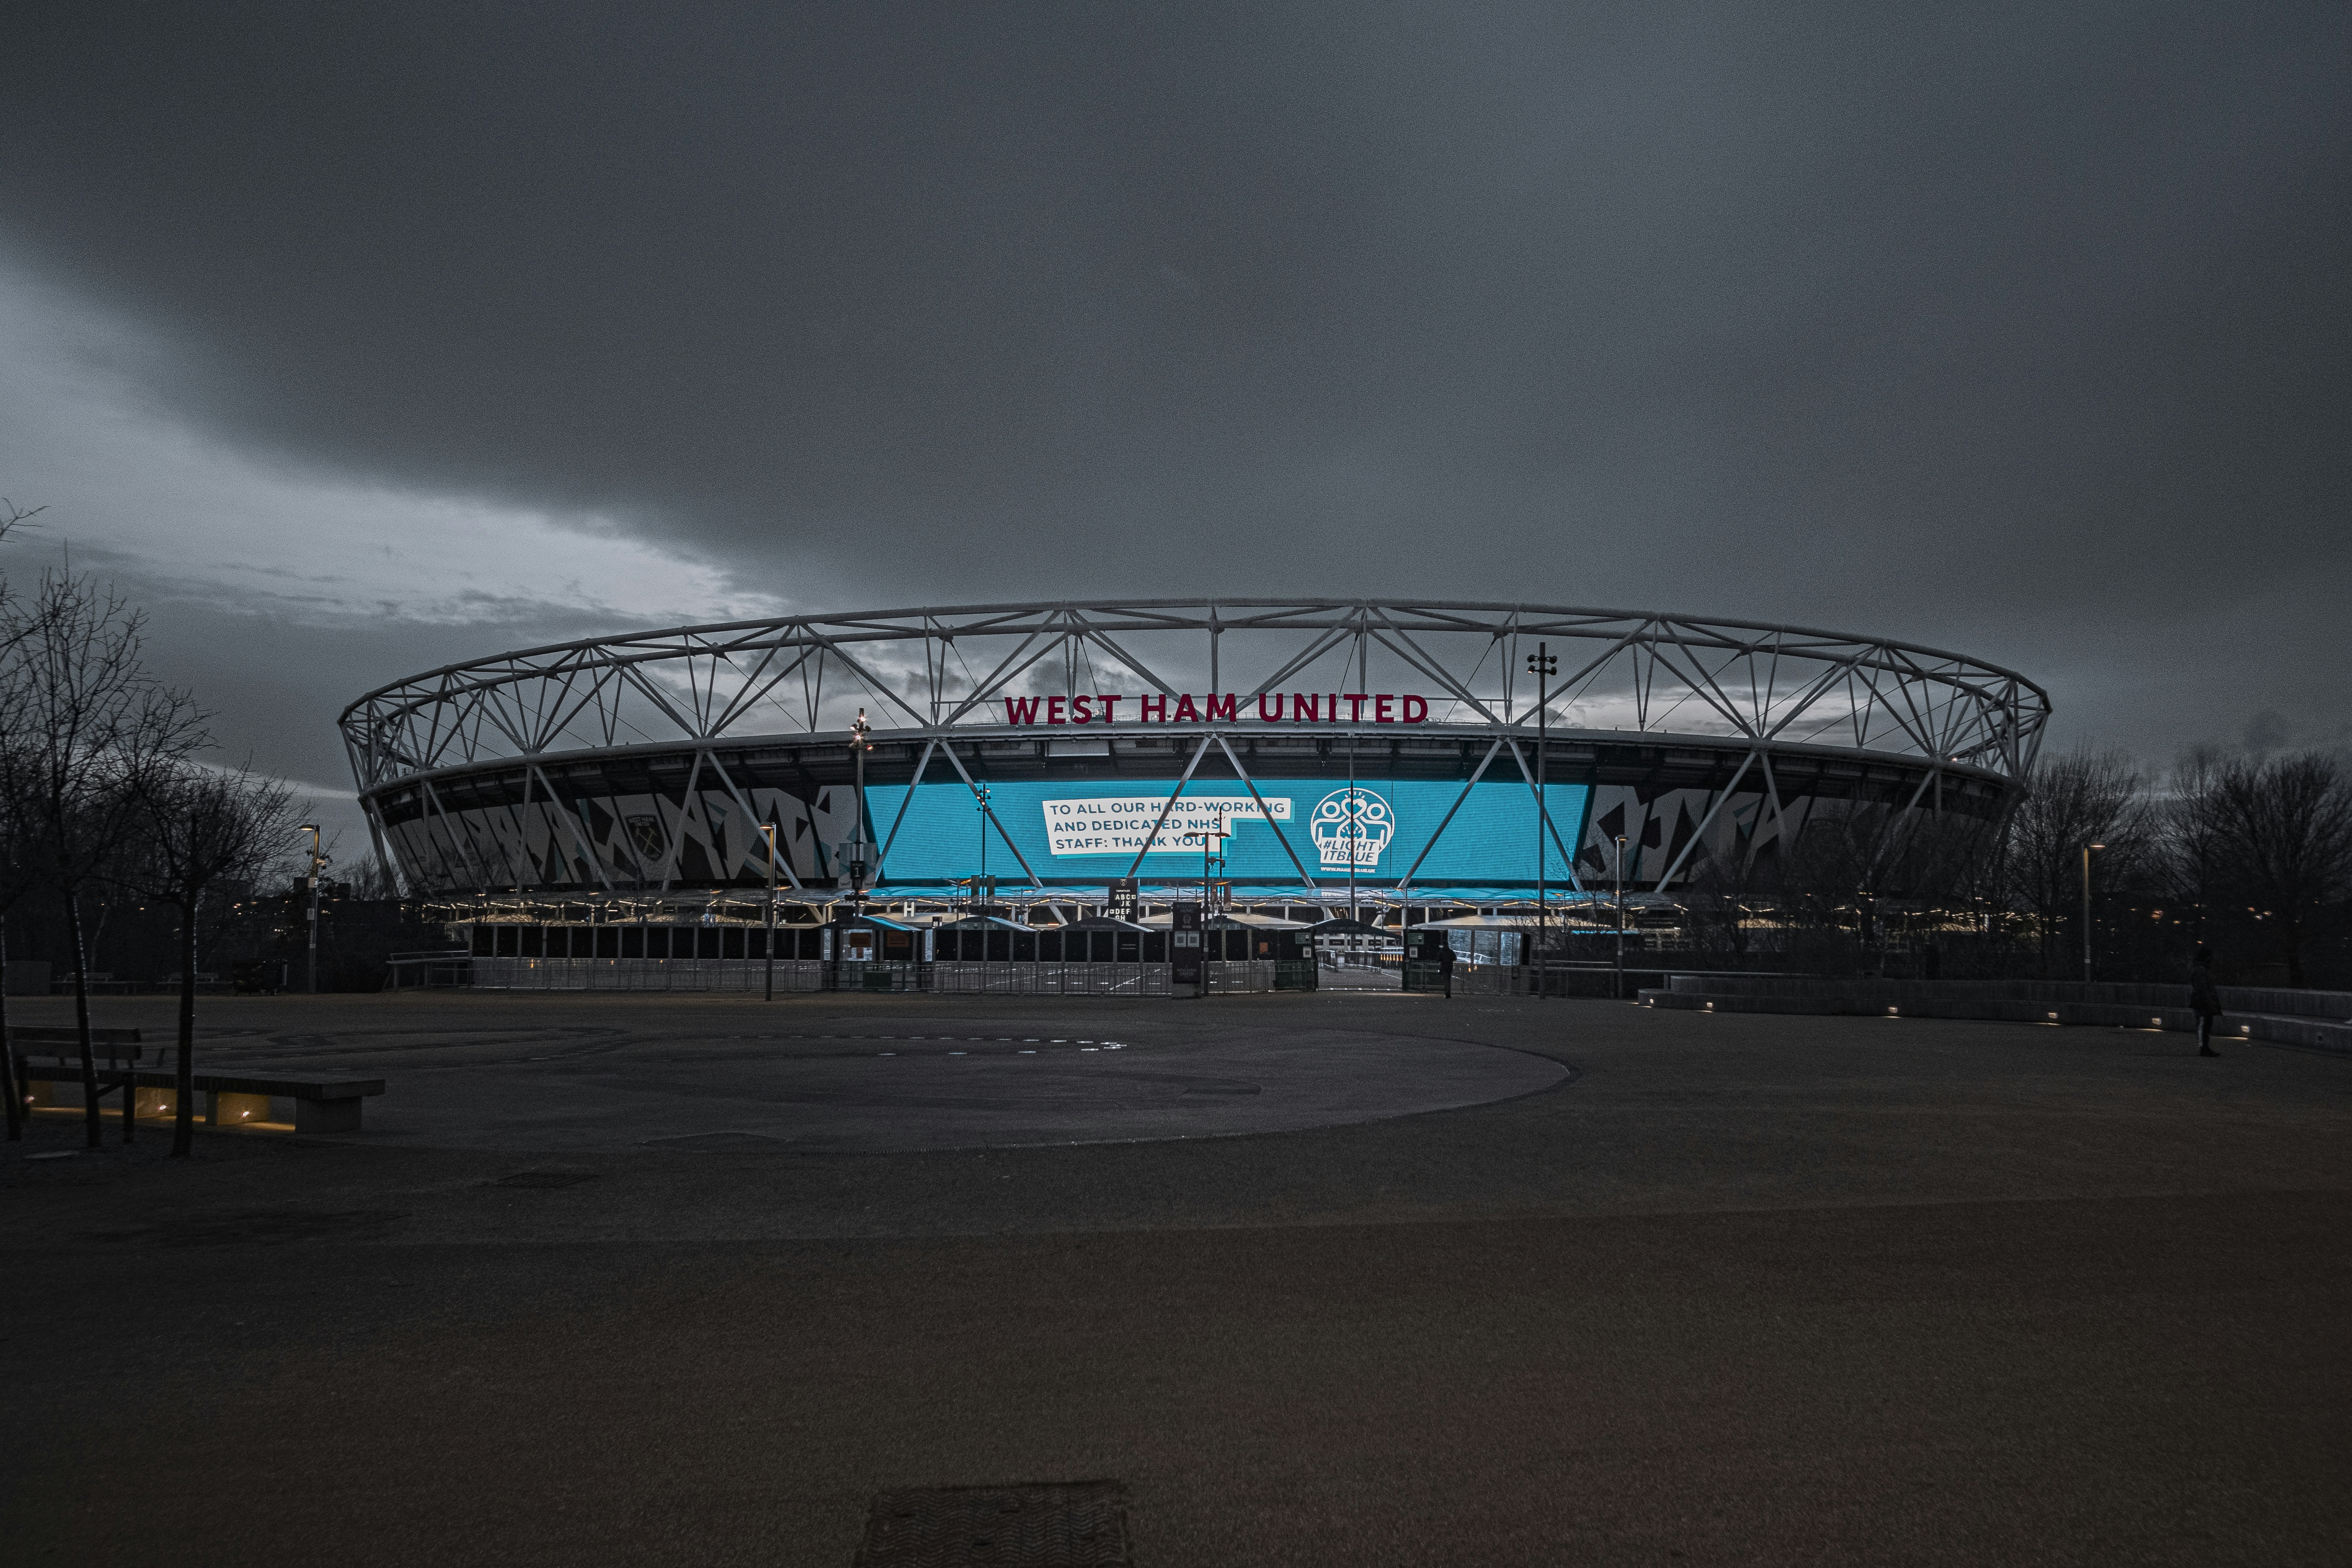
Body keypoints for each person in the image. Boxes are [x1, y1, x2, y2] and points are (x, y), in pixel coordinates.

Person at [2189, 945, 2224, 1057]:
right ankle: (2204, 1048)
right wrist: (2208, 1003)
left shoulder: (2201, 969)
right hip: (2202, 1004)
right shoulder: (2200, 970)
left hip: (2203, 1003)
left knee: (2206, 1025)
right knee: (2204, 1025)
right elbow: (2202, 989)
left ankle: (2205, 1047)